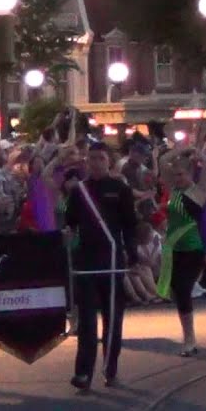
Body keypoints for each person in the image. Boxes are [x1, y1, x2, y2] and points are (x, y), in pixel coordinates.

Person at [64, 142, 138, 389]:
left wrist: (133, 256)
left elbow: (130, 225)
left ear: (109, 161)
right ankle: (83, 373)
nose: (95, 163)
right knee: (86, 320)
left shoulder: (120, 189)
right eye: (91, 158)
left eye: (100, 158)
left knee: (113, 319)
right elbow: (70, 223)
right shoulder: (79, 191)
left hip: (112, 260)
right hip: (86, 262)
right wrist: (67, 237)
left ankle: (110, 369)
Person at [158, 140, 206, 356]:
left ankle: (189, 339)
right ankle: (188, 333)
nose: (177, 178)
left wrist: (197, 152)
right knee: (177, 291)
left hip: (193, 248)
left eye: (181, 174)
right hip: (174, 249)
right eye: (176, 175)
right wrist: (183, 150)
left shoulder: (199, 191)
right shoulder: (173, 191)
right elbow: (163, 160)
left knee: (182, 288)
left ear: (190, 174)